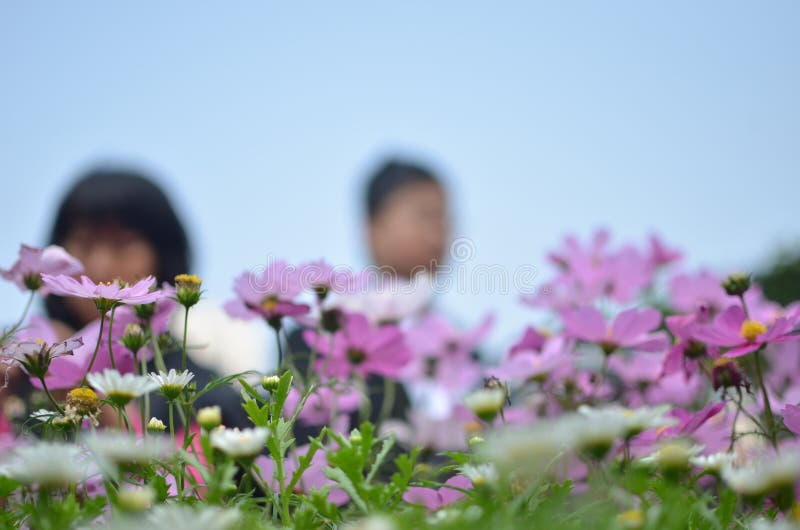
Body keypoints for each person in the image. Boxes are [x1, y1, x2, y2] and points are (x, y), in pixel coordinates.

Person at [44, 166, 250, 428]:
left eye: (123, 244)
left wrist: (120, 427)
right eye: (83, 244)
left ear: (164, 257)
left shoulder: (202, 398)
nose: (99, 266)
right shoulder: (26, 375)